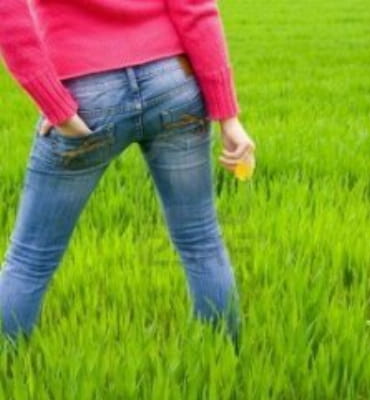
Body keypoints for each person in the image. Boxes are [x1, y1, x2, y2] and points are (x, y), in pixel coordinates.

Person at [0, 0, 256, 354]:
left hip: (88, 92)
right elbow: (195, 7)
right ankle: (224, 360)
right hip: (172, 80)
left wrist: (54, 102)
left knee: (30, 259)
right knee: (201, 240)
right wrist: (228, 116)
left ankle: (8, 369)